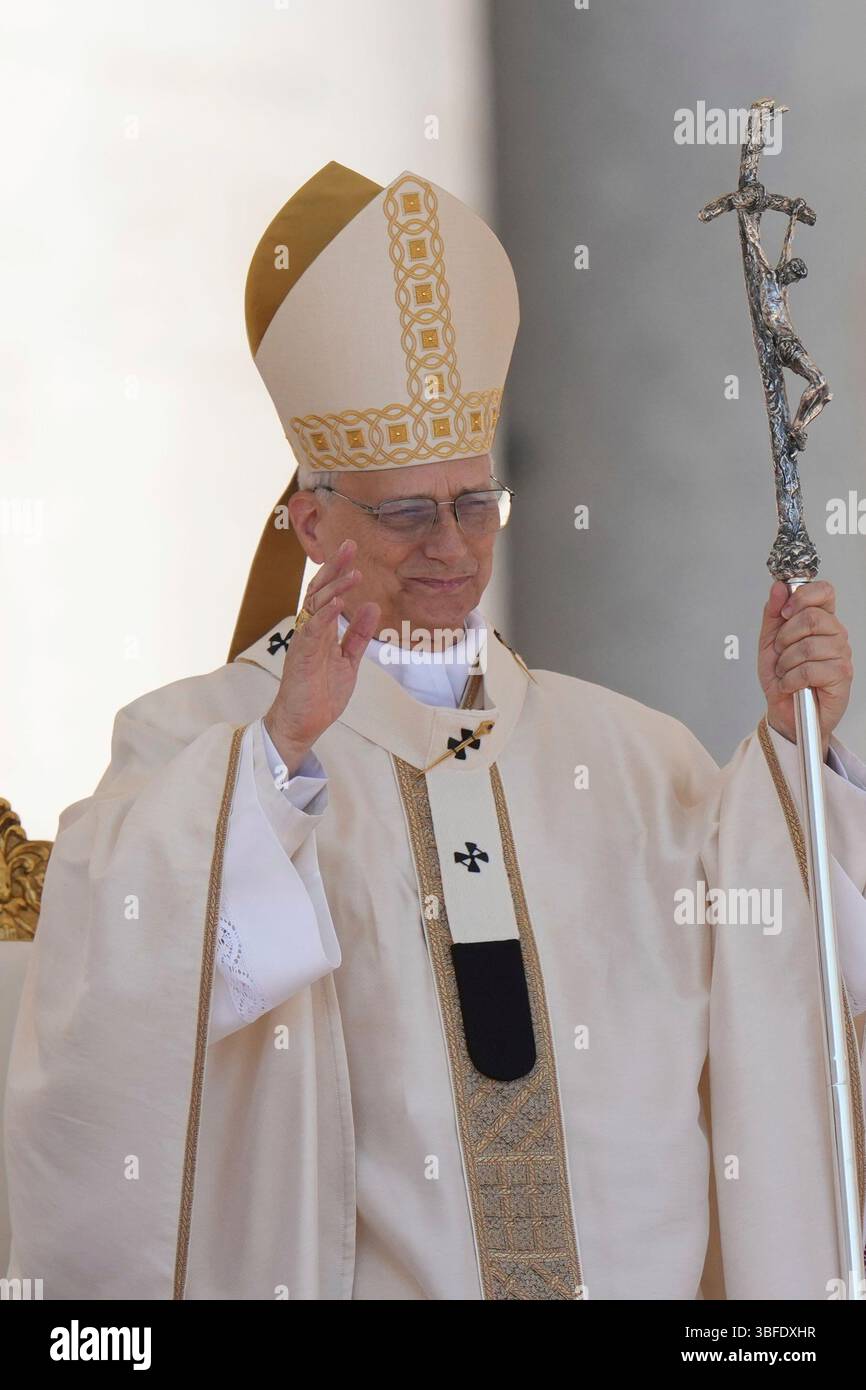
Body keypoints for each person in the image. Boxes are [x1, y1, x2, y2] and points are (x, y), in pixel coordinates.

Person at [5, 162, 866, 1301]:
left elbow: (787, 975)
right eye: (405, 513)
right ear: (310, 521)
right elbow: (107, 1010)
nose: (452, 551)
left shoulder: (636, 759)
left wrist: (797, 754)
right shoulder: (203, 743)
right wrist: (278, 761)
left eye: (474, 504)